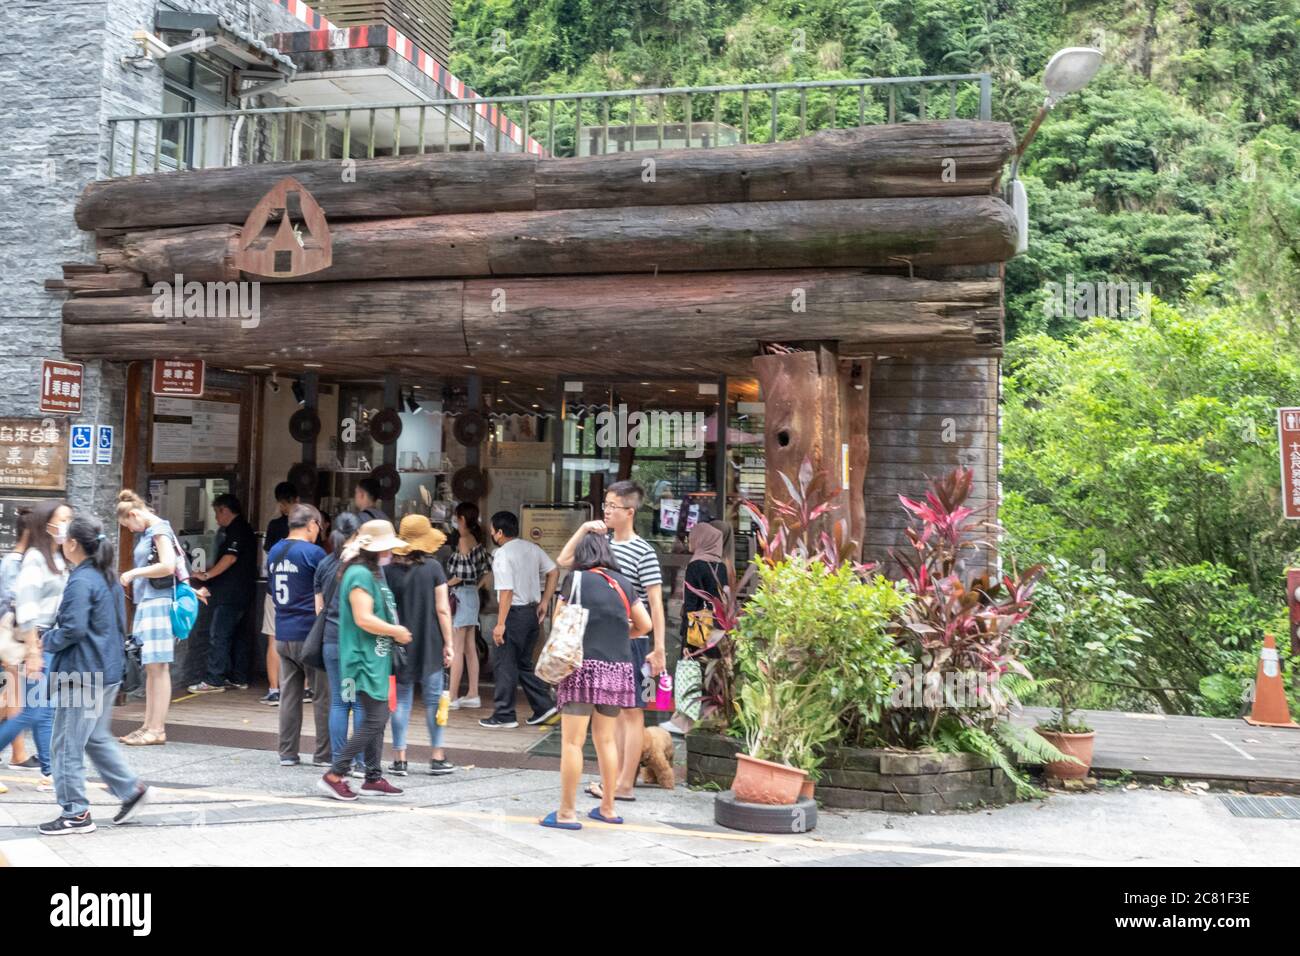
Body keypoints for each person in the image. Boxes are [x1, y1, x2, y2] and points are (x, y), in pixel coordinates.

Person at [39, 515, 153, 835]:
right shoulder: (107, 576)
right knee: (91, 737)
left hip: (80, 674)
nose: (61, 542)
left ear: (73, 544)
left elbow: (72, 630)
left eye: (64, 537)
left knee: (65, 744)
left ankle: (75, 812)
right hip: (106, 672)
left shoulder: (80, 580)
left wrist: (45, 638)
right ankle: (131, 790)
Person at [557, 480, 666, 801]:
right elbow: (564, 562)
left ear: (629, 512)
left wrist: (658, 648)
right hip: (598, 641)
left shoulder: (643, 550)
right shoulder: (600, 541)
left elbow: (655, 603)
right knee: (611, 717)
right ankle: (613, 783)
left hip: (630, 639)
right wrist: (583, 529)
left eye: (612, 506)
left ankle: (625, 784)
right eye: (605, 505)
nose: (606, 510)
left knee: (631, 712)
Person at [540, 529, 651, 831]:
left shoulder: (575, 580)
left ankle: (566, 812)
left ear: (582, 555)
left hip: (582, 667)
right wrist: (621, 633)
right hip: (617, 669)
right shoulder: (624, 584)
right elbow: (646, 624)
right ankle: (609, 808)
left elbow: (559, 620)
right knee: (606, 741)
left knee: (573, 743)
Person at [317, 520, 412, 801]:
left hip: (375, 657)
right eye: (387, 548)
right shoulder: (359, 574)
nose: (391, 554)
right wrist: (396, 631)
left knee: (376, 717)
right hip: (363, 658)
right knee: (377, 717)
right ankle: (335, 774)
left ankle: (372, 776)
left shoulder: (371, 572)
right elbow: (363, 618)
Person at [0, 500, 72, 791]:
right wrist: (33, 650)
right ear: (46, 525)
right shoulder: (33, 559)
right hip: (35, 641)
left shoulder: (57, 558)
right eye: (63, 519)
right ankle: (49, 771)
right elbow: (26, 607)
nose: (68, 525)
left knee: (41, 710)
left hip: (49, 641)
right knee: (34, 710)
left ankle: (49, 771)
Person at [116, 489, 189, 746]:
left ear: (134, 514)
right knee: (152, 667)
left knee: (158, 667)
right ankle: (148, 725)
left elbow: (167, 566)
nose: (132, 530)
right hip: (150, 602)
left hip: (158, 602)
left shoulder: (158, 530)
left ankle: (156, 728)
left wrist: (134, 573)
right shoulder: (153, 530)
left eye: (129, 525)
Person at [387, 515, 456, 775]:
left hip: (398, 643)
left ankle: (399, 758)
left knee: (399, 701)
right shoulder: (434, 568)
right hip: (430, 642)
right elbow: (442, 609)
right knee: (434, 701)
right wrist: (449, 643)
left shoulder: (388, 569)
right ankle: (437, 757)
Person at [479, 511, 558, 730]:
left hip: (513, 615)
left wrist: (501, 624)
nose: (492, 534)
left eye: (493, 530)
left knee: (504, 664)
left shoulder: (502, 554)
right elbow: (554, 571)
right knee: (523, 664)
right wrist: (544, 602)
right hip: (532, 615)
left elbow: (506, 591)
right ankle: (544, 706)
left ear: (500, 532)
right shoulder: (532, 548)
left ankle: (505, 714)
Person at [268, 504, 330, 767]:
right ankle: (324, 754)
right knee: (323, 696)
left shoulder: (274, 551)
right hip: (310, 634)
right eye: (319, 527)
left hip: (282, 633)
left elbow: (272, 591)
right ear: (312, 524)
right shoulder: (314, 553)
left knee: (289, 696)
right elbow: (326, 590)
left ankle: (287, 753)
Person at [659, 520, 731, 736]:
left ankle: (683, 721)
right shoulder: (720, 566)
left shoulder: (695, 565)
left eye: (693, 536)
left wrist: (689, 642)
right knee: (711, 675)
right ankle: (710, 719)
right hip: (717, 630)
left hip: (697, 629)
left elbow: (692, 605)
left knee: (689, 672)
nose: (690, 541)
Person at [190, 493, 256, 694]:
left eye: (216, 513)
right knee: (238, 635)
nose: (216, 519)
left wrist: (207, 574)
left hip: (230, 593)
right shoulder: (244, 528)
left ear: (224, 510)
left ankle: (214, 679)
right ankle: (238, 677)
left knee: (219, 634)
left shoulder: (236, 529)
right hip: (243, 591)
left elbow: (230, 558)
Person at [315, 512, 366, 774]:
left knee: (339, 701)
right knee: (357, 702)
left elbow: (319, 609)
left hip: (331, 642)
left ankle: (339, 760)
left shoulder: (325, 563)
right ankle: (358, 761)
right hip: (355, 644)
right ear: (357, 535)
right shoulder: (362, 566)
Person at [444, 501, 491, 710]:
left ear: (461, 519)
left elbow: (462, 574)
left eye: (456, 517)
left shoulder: (463, 540)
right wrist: (476, 587)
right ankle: (473, 693)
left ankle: (452, 696)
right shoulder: (476, 540)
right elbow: (487, 569)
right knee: (470, 647)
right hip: (472, 595)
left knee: (457, 647)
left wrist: (445, 585)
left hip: (462, 596)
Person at [260, 481, 300, 705]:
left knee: (273, 639)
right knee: (301, 637)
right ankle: (304, 687)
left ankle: (274, 689)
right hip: (299, 588)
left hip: (275, 588)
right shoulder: (306, 524)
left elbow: (268, 556)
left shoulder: (275, 526)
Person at [1, 507, 33, 770]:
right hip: (12, 637)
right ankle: (18, 754)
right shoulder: (13, 562)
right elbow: (16, 602)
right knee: (14, 696)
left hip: (19, 637)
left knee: (13, 696)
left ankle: (19, 754)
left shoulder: (21, 561)